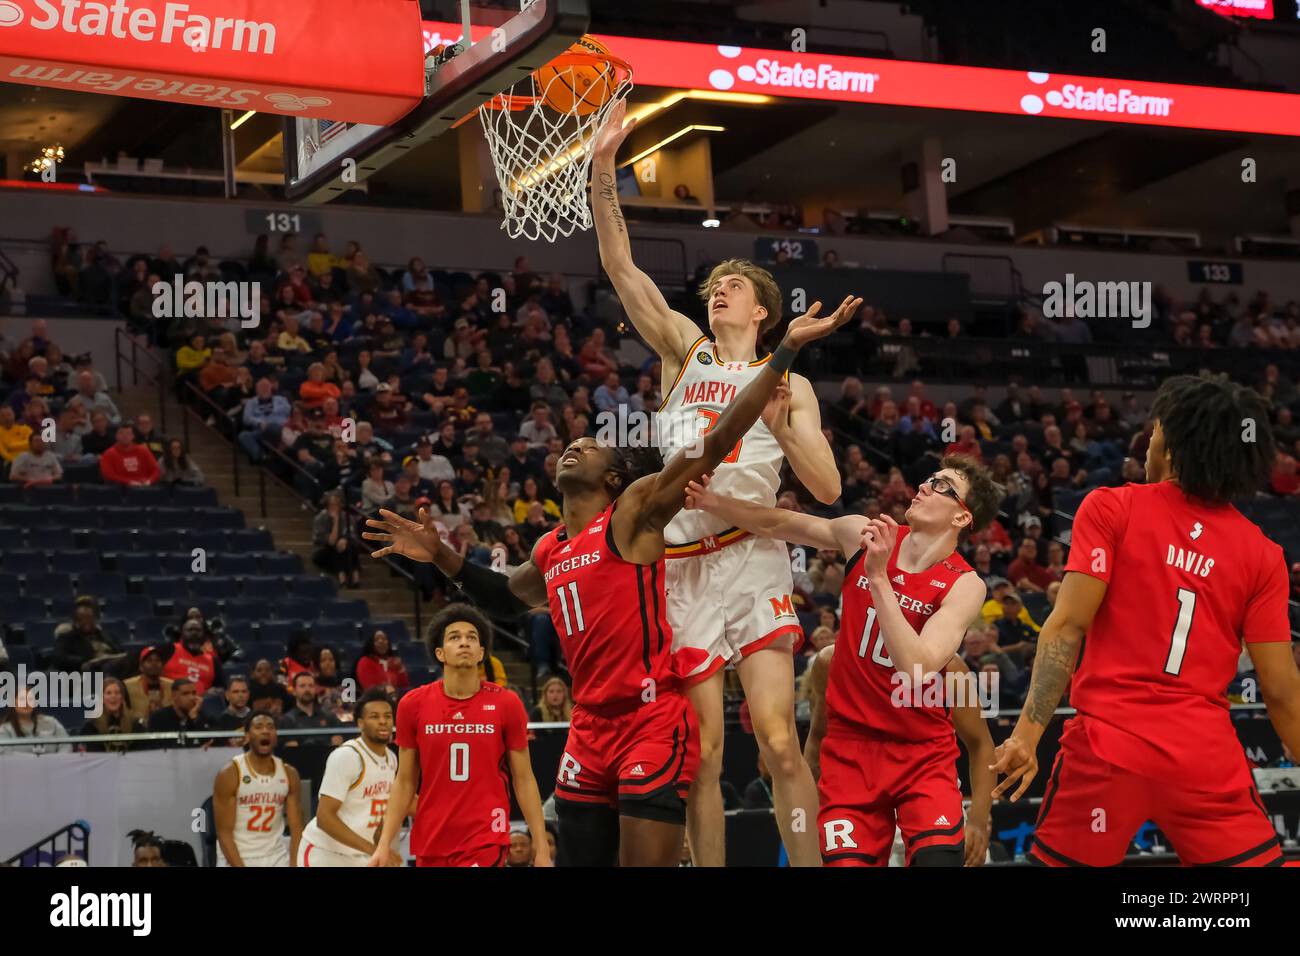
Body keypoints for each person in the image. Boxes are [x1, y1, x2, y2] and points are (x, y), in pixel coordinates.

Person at [366, 304, 848, 865]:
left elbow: (716, 442)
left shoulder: (633, 513)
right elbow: (500, 599)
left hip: (649, 715)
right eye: (571, 445)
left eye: (592, 446)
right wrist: (441, 556)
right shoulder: (551, 549)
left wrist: (784, 351)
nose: (575, 444)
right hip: (589, 724)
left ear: (615, 478)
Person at [592, 100, 856, 866]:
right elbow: (620, 266)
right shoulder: (685, 351)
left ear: (764, 312)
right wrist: (605, 169)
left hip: (753, 557)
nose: (718, 292)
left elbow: (829, 487)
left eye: (734, 287)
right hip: (680, 567)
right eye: (715, 285)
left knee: (777, 739)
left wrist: (776, 420)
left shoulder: (786, 384)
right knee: (702, 754)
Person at [994, 374, 1300, 867]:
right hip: (1205, 762)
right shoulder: (1263, 555)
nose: (1148, 441)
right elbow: (1283, 692)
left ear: (1174, 445)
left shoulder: (1112, 507)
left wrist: (1026, 737)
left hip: (1106, 752)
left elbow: (1066, 627)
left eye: (1155, 431)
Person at [685, 454, 1001, 865]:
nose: (925, 486)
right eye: (929, 479)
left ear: (962, 518)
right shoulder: (862, 533)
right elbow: (780, 523)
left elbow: (918, 667)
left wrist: (880, 576)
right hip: (852, 752)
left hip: (921, 753)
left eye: (943, 486)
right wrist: (715, 503)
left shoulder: (965, 585)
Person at [369, 605, 551, 868]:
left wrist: (541, 845)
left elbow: (523, 779)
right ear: (440, 653)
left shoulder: (507, 703)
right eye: (454, 637)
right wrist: (385, 843)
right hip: (432, 837)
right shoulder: (413, 704)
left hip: (485, 836)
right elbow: (405, 781)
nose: (464, 642)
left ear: (481, 653)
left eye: (472, 637)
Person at [803, 645, 994, 866]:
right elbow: (818, 739)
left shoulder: (949, 666)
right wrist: (807, 819)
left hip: (927, 789)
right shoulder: (831, 661)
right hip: (855, 794)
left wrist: (978, 822)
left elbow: (981, 744)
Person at [300, 689, 403, 867]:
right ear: (360, 723)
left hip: (356, 854)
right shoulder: (348, 756)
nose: (383, 721)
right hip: (324, 854)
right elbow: (325, 818)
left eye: (387, 716)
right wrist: (373, 850)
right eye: (374, 716)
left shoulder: (391, 758)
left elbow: (388, 807)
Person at [213, 714, 303, 866]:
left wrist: (295, 863)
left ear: (276, 736)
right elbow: (224, 833)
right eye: (258, 727)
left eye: (270, 727)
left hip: (276, 855)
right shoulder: (230, 773)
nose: (265, 731)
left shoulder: (289, 774)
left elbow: (296, 827)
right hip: (238, 856)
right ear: (247, 736)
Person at [79, 677, 144, 753]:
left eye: (117, 693)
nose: (113, 696)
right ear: (102, 699)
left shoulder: (135, 724)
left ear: (122, 698)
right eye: (108, 693)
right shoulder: (91, 725)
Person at [278, 672, 344, 747]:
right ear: (294, 691)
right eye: (302, 686)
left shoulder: (329, 716)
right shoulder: (287, 720)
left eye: (311, 686)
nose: (307, 689)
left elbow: (338, 741)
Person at [0, 686, 71, 754]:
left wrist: (57, 761)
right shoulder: (5, 729)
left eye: (30, 699)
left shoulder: (51, 722)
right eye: (22, 699)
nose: (26, 703)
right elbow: (6, 755)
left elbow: (66, 745)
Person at [160, 619, 221, 696]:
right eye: (190, 630)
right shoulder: (169, 649)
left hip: (202, 702)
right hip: (170, 700)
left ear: (204, 635)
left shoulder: (213, 660)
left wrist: (212, 692)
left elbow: (221, 687)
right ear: (182, 634)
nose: (194, 633)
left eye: (198, 630)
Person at [145, 679, 212, 747]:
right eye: (185, 694)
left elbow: (210, 743)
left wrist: (195, 718)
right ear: (174, 696)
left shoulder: (202, 717)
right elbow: (157, 746)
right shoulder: (158, 718)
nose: (192, 698)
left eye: (194, 693)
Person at [124, 646, 173, 725]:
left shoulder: (172, 686)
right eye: (149, 660)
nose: (154, 664)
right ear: (141, 666)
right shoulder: (127, 686)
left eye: (158, 660)